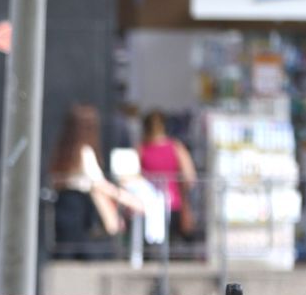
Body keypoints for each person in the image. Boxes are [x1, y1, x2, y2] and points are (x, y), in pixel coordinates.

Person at [48, 104, 143, 259]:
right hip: (77, 209)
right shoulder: (84, 153)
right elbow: (99, 184)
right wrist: (130, 200)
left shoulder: (64, 153)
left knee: (65, 254)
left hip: (65, 207)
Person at [137, 109, 198, 241]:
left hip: (147, 205)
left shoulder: (141, 149)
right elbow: (190, 177)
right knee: (172, 247)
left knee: (149, 248)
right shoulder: (176, 147)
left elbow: (133, 177)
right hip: (174, 203)